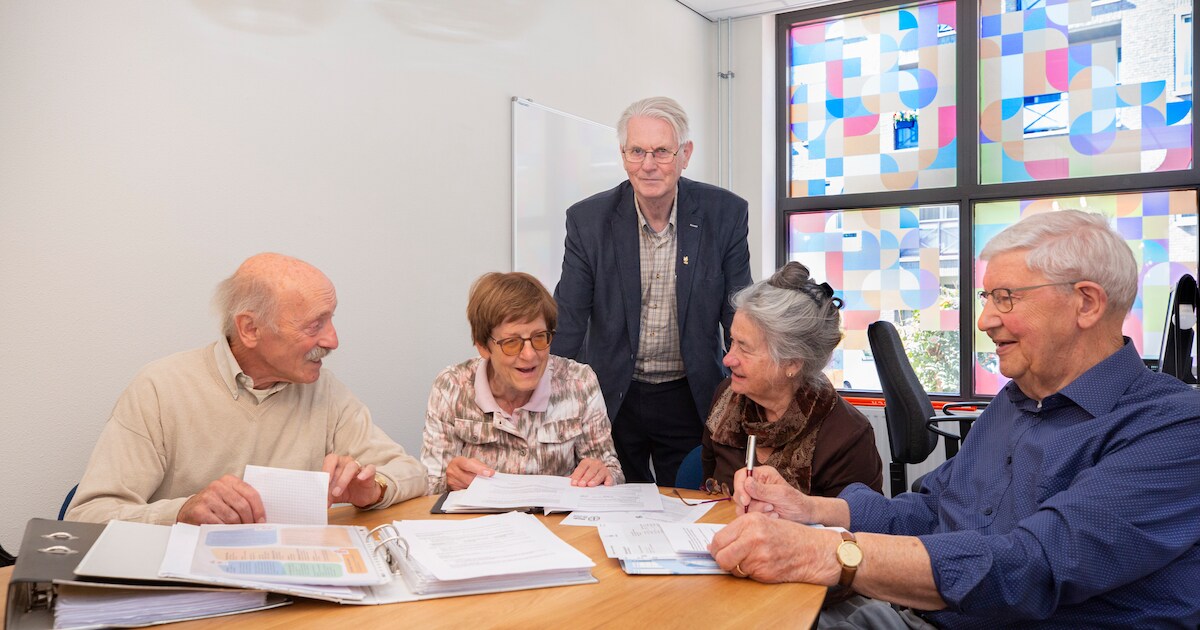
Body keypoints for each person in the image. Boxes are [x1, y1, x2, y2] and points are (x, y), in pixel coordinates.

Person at [708, 210, 1200, 628]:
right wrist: (811, 510)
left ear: (1086, 303)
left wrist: (825, 553)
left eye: (1005, 297)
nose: (985, 320)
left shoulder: (1174, 429)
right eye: (987, 298)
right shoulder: (1016, 401)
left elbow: (1031, 567)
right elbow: (932, 510)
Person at [67, 253, 426, 525]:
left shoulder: (324, 392)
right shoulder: (160, 388)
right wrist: (182, 511)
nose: (333, 339)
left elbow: (412, 473)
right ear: (250, 329)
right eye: (315, 324)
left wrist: (372, 488)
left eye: (331, 318)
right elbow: (86, 517)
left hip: (291, 591)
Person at [551, 96, 753, 486]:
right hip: (611, 396)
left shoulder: (724, 214)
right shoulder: (588, 221)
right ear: (623, 155)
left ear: (685, 154)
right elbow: (569, 322)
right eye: (637, 151)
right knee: (612, 509)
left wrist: (748, 393)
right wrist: (548, 406)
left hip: (688, 393)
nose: (648, 164)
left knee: (690, 506)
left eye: (661, 151)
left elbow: (738, 316)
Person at [421, 272, 623, 494]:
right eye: (512, 342)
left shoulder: (580, 383)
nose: (529, 355)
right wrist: (448, 483)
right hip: (481, 525)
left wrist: (604, 474)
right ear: (483, 347)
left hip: (559, 526)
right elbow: (430, 486)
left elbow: (612, 472)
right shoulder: (451, 388)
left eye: (539, 337)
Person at [702, 262, 882, 497]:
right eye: (732, 341)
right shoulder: (727, 397)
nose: (728, 360)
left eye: (744, 348)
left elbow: (857, 527)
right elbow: (709, 490)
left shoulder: (846, 437)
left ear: (793, 363)